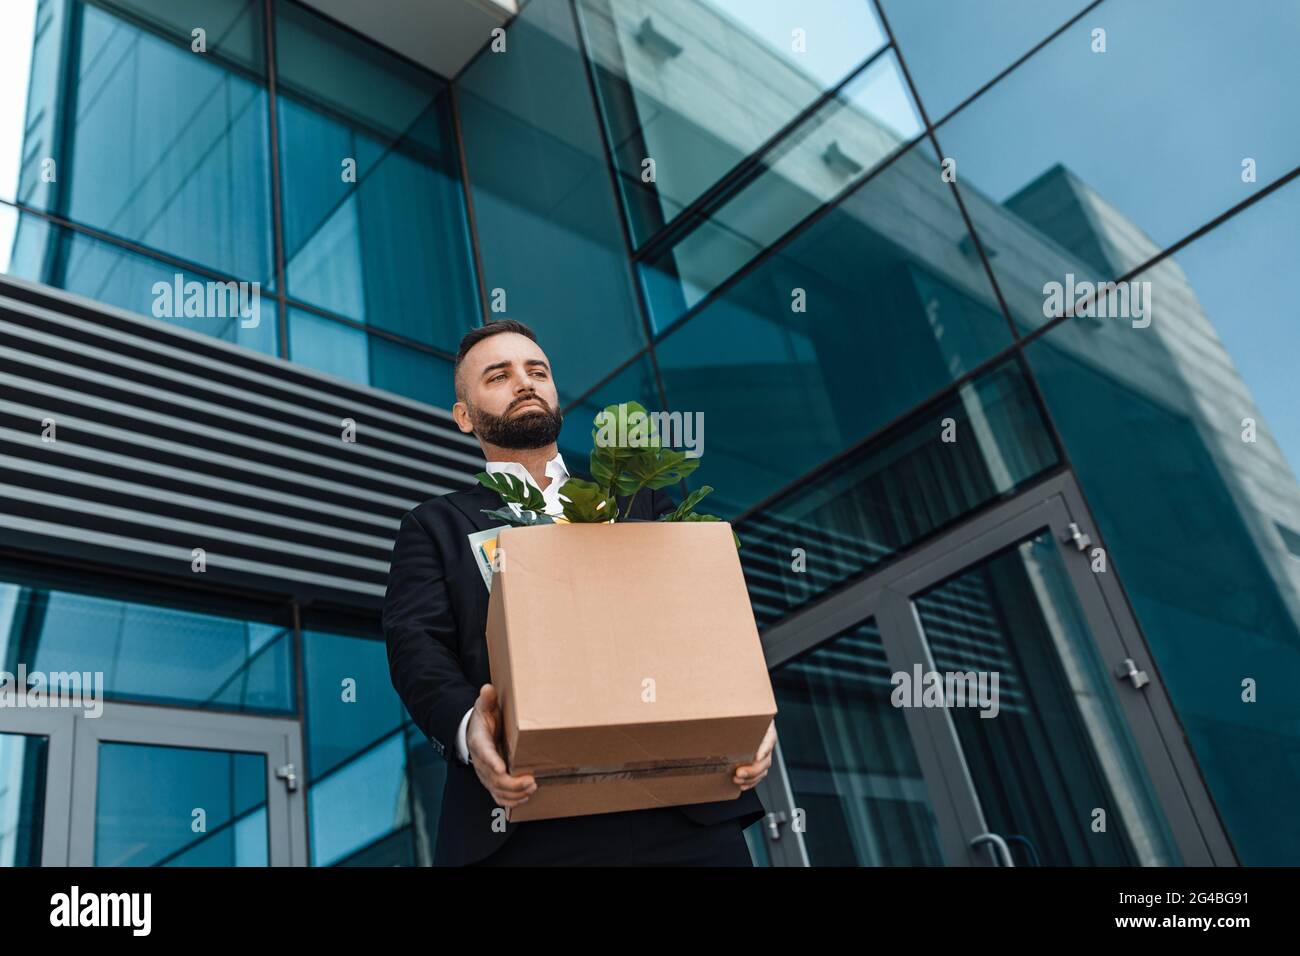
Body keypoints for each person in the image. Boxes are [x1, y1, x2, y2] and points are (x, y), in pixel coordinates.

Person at [383, 319, 776, 866]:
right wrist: (473, 730)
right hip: (528, 825)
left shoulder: (643, 501)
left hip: (684, 812)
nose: (524, 382)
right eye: (498, 375)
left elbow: (706, 613)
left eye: (536, 371)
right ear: (463, 416)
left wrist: (749, 715)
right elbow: (415, 647)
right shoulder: (434, 527)